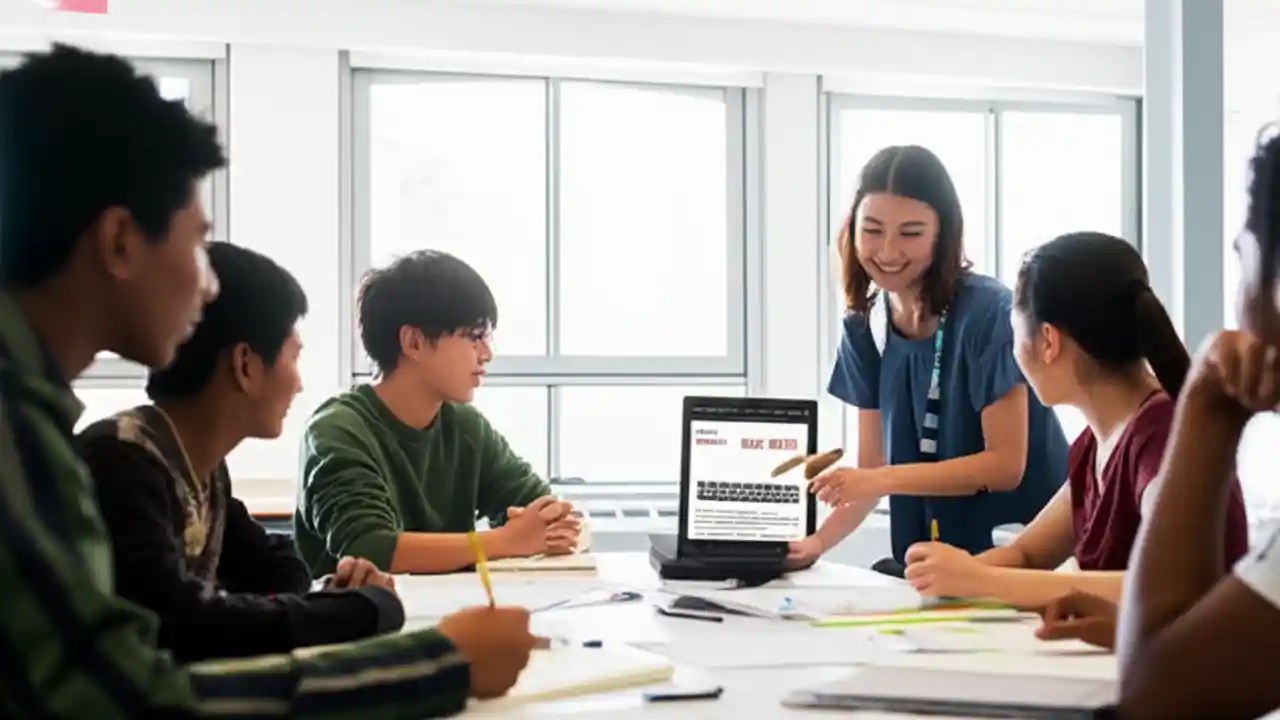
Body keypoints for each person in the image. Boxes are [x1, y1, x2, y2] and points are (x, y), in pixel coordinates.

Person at [0, 44, 532, 718]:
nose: (208, 280)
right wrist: (436, 664)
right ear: (120, 242)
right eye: (197, 243)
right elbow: (122, 694)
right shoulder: (36, 435)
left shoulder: (39, 419)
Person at [1040, 129, 1280, 718]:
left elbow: (1157, 700)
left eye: (1240, 256)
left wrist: (1206, 401)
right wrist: (1141, 628)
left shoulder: (1154, 431)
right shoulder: (1088, 447)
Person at [79, 241, 410, 661]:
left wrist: (329, 600)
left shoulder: (201, 465)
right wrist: (355, 610)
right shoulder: (120, 462)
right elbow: (181, 625)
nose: (299, 383)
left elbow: (277, 565)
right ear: (246, 366)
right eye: (294, 357)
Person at [899, 232, 1249, 608]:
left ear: (1048, 341)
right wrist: (949, 577)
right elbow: (1028, 555)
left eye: (1014, 334)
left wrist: (983, 579)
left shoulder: (1160, 436)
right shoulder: (1093, 445)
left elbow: (1167, 585)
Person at [799, 145, 1069, 571]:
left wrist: (879, 478)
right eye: (872, 230)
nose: (887, 251)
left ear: (943, 234)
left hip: (1025, 553)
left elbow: (1004, 466)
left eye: (910, 233)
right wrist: (814, 545)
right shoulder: (864, 323)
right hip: (934, 562)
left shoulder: (988, 312)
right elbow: (872, 469)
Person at [295, 250, 583, 576]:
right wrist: (506, 540)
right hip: (360, 621)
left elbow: (539, 506)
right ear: (414, 342)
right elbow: (369, 548)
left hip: (452, 613)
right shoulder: (337, 430)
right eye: (473, 337)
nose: (487, 354)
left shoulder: (464, 424)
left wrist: (549, 523)